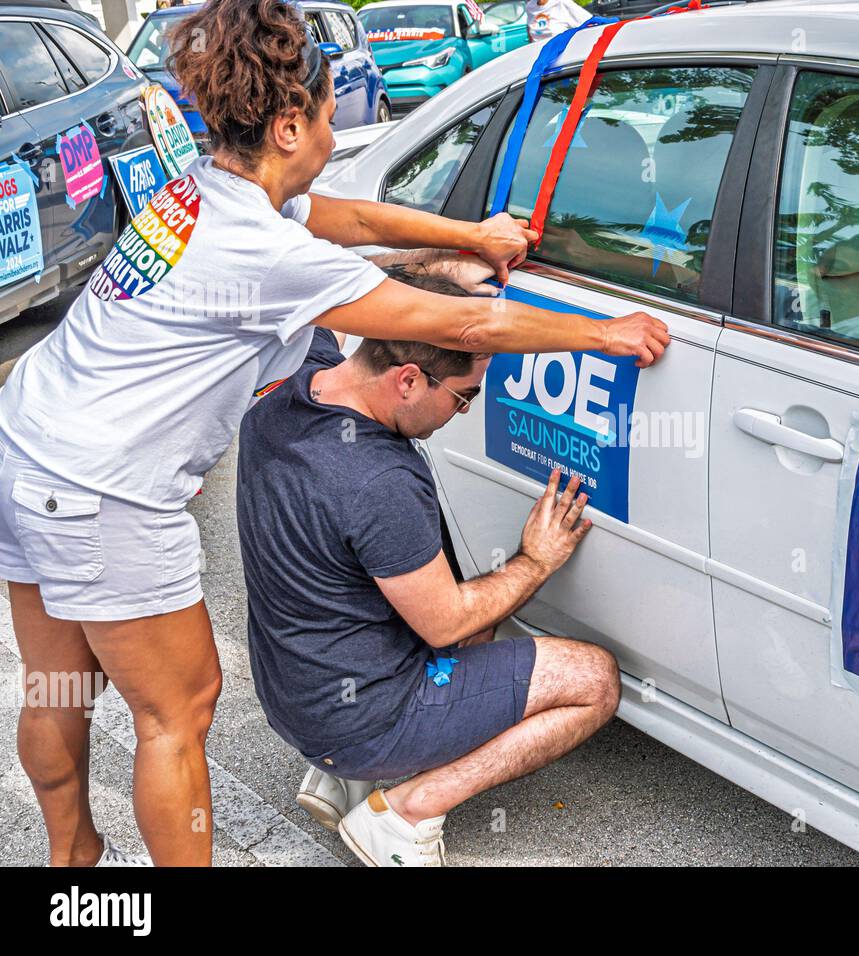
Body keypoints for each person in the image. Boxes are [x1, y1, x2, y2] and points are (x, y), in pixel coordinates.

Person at [0, 0, 667, 867]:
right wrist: (601, 332)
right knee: (178, 711)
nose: (328, 130)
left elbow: (348, 219)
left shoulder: (204, 191)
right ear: (287, 126)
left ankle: (72, 865)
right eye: (319, 116)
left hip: (25, 441)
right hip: (102, 489)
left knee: (61, 685)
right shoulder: (264, 251)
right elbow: (462, 329)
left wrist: (468, 234)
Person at [237, 269, 617, 867]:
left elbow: (332, 276)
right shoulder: (378, 480)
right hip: (359, 716)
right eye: (462, 396)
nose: (463, 413)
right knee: (594, 680)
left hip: (292, 695)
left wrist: (441, 267)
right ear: (408, 380)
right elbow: (444, 625)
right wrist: (535, 560)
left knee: (478, 613)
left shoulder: (291, 380)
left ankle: (344, 779)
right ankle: (405, 810)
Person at [526, 0, 592, 42]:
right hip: (538, 57)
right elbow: (529, 29)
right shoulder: (530, 6)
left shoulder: (561, 2)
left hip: (560, 58)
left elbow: (590, 23)